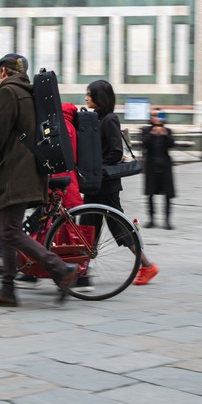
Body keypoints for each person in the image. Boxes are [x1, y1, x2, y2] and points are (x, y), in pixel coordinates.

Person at [0, 53, 80, 306]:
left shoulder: (9, 92)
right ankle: (7, 289)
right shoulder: (29, 92)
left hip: (16, 173)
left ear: (3, 72)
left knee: (9, 230)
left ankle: (61, 270)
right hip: (29, 171)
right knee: (8, 230)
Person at [84, 80, 159, 286]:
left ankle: (147, 266)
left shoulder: (109, 119)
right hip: (96, 185)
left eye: (89, 94)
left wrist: (97, 169)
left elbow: (116, 151)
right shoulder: (97, 118)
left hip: (106, 186)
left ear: (100, 97)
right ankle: (82, 269)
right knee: (88, 227)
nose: (86, 98)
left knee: (118, 228)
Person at [15, 102, 83, 290]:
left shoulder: (62, 127)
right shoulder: (67, 125)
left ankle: (77, 273)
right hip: (66, 184)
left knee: (63, 234)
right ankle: (37, 270)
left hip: (62, 185)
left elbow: (57, 157)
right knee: (50, 229)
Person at [141, 107, 176, 229]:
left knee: (168, 195)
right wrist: (152, 134)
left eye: (159, 115)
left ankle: (167, 220)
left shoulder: (168, 130)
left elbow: (172, 144)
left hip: (165, 166)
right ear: (151, 118)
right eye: (155, 115)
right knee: (150, 194)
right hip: (151, 166)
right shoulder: (147, 130)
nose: (157, 117)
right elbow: (144, 145)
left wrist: (165, 135)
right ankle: (151, 219)